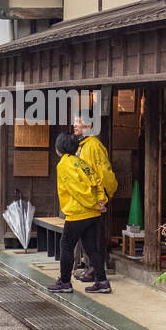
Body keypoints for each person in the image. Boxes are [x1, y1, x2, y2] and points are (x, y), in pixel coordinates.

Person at [48, 132, 111, 294]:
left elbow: (77, 190)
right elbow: (96, 181)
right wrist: (100, 201)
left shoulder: (63, 164)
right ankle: (102, 281)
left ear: (59, 148)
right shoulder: (80, 162)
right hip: (93, 214)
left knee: (66, 246)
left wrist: (94, 203)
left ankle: (64, 282)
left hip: (78, 213)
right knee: (91, 248)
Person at [73, 112, 118, 281]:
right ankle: (91, 267)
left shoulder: (94, 146)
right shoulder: (83, 145)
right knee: (88, 235)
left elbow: (104, 172)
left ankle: (95, 270)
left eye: (79, 122)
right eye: (75, 122)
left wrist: (106, 195)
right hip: (86, 197)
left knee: (95, 235)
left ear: (89, 126)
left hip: (96, 198)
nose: (75, 125)